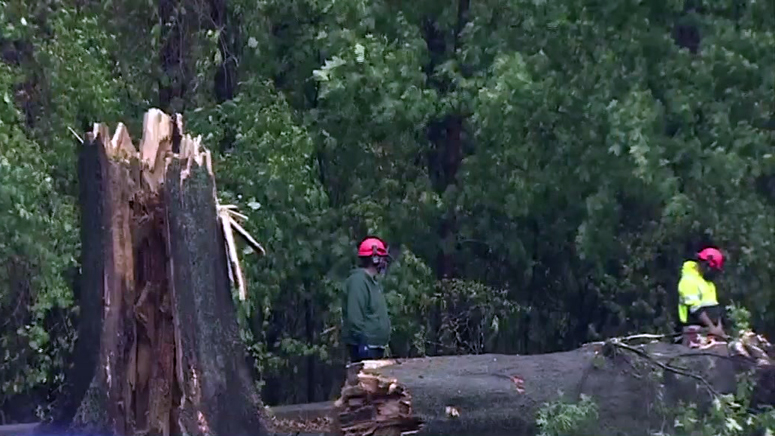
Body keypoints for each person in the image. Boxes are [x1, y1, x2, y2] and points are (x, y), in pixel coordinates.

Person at [341, 236, 392, 363]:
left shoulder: (372, 282)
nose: (384, 261)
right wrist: (362, 342)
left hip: (375, 347)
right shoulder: (358, 281)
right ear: (375, 258)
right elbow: (355, 316)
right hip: (364, 347)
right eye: (382, 257)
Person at [677, 247, 726, 346]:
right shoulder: (688, 280)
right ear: (706, 265)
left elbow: (715, 306)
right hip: (694, 332)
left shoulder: (707, 283)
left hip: (710, 331)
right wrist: (711, 327)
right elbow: (695, 308)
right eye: (713, 270)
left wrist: (719, 328)